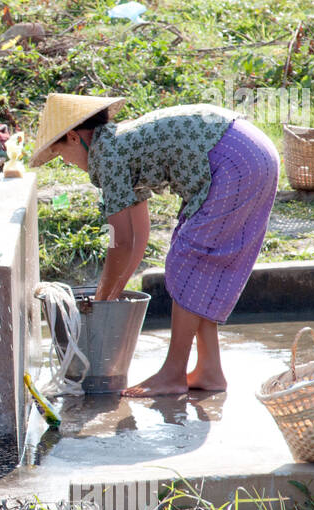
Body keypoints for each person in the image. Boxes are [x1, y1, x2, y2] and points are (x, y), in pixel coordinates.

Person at [28, 93, 279, 397]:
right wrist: (109, 296)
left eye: (61, 154)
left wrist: (102, 302)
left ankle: (173, 373)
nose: (66, 162)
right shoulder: (120, 145)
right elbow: (137, 238)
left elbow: (119, 241)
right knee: (195, 261)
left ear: (73, 137)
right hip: (250, 150)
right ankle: (209, 370)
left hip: (235, 158)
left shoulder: (106, 155)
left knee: (187, 260)